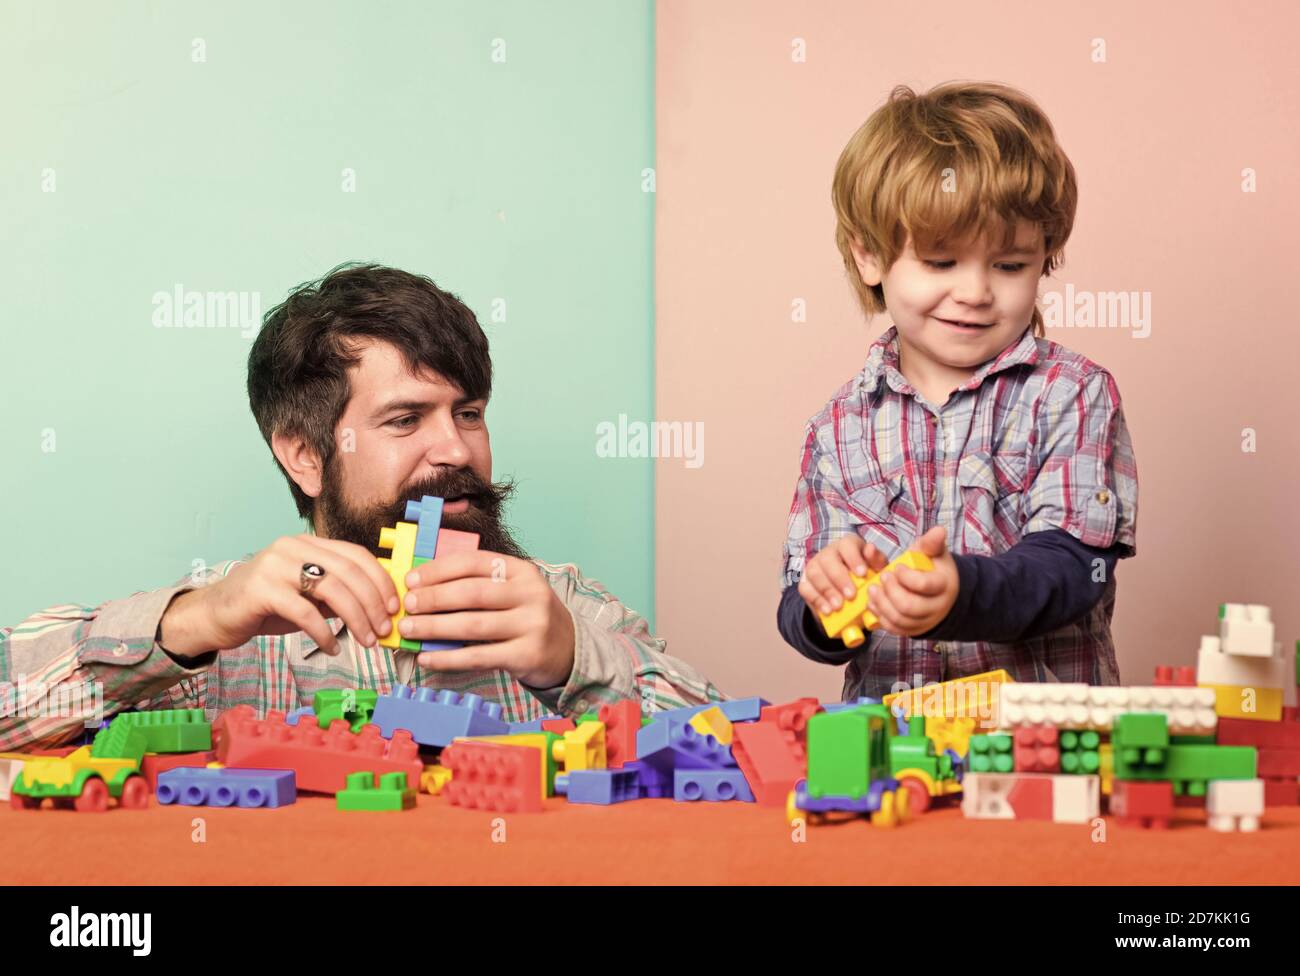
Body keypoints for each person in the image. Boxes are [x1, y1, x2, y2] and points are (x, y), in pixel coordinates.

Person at [0, 264, 724, 750]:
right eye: (405, 420)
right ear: (304, 455)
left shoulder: (562, 606)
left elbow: (728, 749)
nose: (457, 450)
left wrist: (576, 660)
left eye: (468, 413)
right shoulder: (225, 636)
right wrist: (190, 621)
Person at [777, 81, 1139, 702]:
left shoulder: (1072, 394)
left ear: (1044, 259)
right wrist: (824, 600)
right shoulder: (837, 426)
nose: (975, 291)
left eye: (1009, 265)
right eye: (942, 263)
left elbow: (1075, 569)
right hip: (895, 750)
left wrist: (960, 593)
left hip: (1042, 750)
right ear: (870, 257)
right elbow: (798, 617)